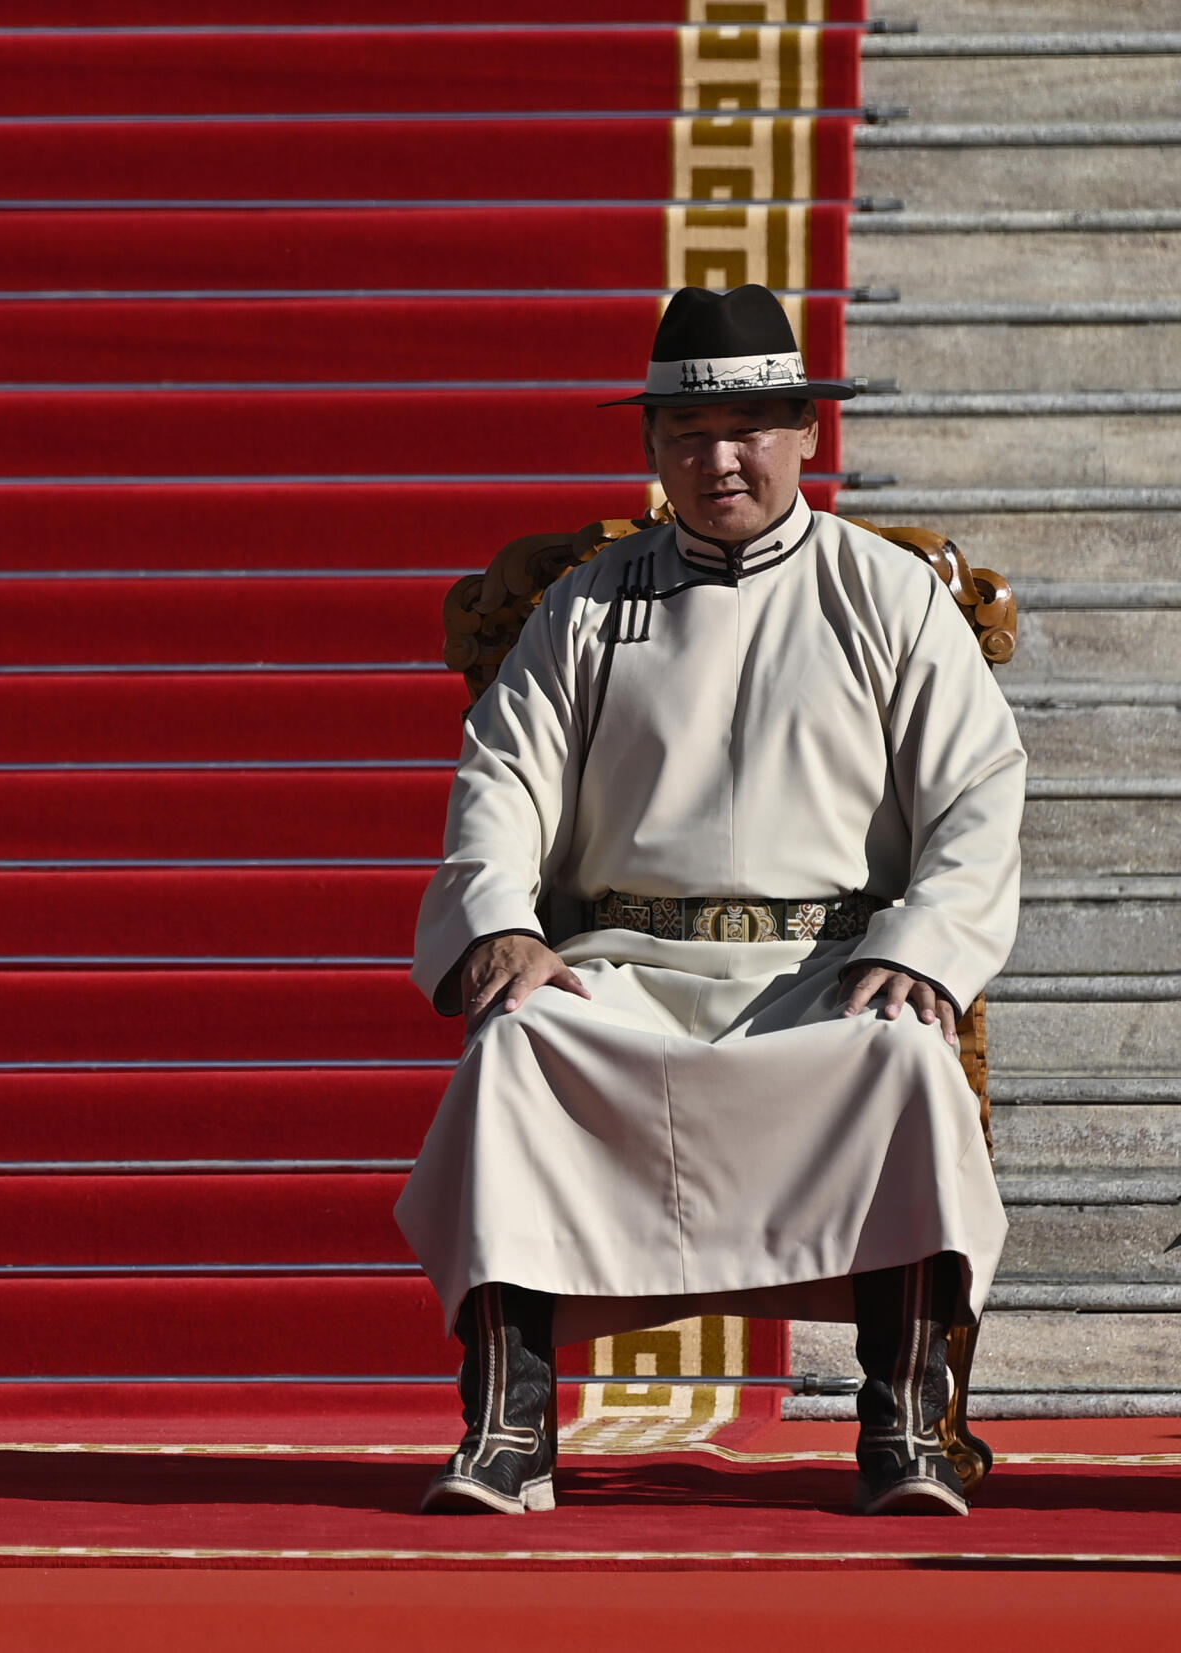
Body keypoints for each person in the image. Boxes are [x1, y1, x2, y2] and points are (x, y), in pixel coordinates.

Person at [396, 286, 1024, 1518]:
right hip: (624, 971)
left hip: (823, 970)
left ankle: (902, 1426)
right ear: (648, 450)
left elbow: (976, 793)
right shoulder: (586, 604)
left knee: (901, 1059)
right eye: (686, 435)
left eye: (746, 427)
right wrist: (503, 927)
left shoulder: (884, 596)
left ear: (801, 433)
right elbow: (500, 780)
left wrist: (922, 945)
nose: (717, 459)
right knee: (515, 1053)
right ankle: (508, 1428)